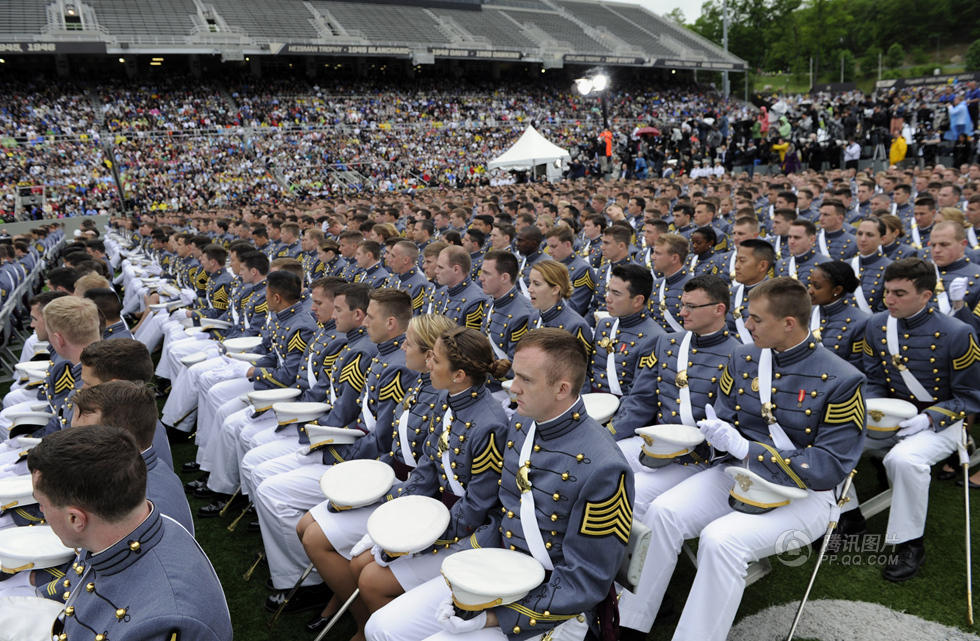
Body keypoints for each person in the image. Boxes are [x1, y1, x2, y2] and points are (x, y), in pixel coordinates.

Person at [618, 277, 865, 641]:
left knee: (722, 540)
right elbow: (724, 421)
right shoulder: (744, 357)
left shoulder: (843, 379)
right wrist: (712, 438)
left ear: (789, 323)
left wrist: (749, 449)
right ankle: (629, 624)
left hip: (805, 493)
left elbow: (828, 467)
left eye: (755, 319)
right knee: (663, 513)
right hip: (739, 472)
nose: (745, 325)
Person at [364, 328, 634, 641]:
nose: (512, 388)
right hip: (498, 567)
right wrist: (425, 541)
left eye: (526, 380)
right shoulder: (522, 424)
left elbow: (584, 582)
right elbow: (505, 513)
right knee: (382, 627)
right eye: (515, 375)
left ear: (562, 389)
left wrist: (494, 617)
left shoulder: (605, 467)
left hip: (555, 602)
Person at [298, 313, 455, 633]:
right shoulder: (420, 385)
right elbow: (398, 449)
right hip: (397, 480)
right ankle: (345, 602)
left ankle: (360, 620)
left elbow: (431, 471)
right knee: (305, 525)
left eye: (408, 342)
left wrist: (391, 492)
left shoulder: (440, 396)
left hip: (417, 495)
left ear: (429, 355)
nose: (403, 346)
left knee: (317, 537)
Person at [27, 426, 233, 640]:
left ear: (75, 519)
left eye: (41, 503)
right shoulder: (125, 531)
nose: (42, 511)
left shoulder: (164, 623)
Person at [860, 258, 980, 581]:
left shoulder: (957, 332)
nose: (889, 300)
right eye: (887, 291)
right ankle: (846, 519)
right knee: (835, 438)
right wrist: (872, 405)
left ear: (927, 296)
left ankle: (909, 544)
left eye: (900, 293)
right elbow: (873, 378)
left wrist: (929, 419)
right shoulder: (876, 324)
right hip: (893, 414)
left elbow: (971, 396)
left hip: (942, 419)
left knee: (903, 459)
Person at [610, 275, 739, 518]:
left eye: (691, 306)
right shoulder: (667, 343)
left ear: (718, 309)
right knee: (596, 462)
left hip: (697, 457)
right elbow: (641, 400)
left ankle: (627, 554)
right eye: (682, 304)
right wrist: (611, 434)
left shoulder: (737, 356)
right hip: (658, 442)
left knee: (631, 493)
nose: (682, 312)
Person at [589, 263, 662, 395]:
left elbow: (640, 394)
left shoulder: (655, 337)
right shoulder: (604, 325)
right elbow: (586, 372)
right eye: (608, 290)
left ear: (638, 300)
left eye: (616, 293)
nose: (607, 298)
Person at [806, 261, 871, 369]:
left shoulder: (860, 322)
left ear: (837, 290)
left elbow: (856, 370)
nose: (810, 291)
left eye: (816, 287)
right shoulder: (805, 313)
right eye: (810, 284)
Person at [526, 260, 591, 351]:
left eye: (536, 284)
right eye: (530, 283)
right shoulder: (535, 317)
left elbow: (577, 364)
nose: (529, 289)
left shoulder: (575, 325)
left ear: (555, 290)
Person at [648, 233, 691, 333]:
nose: (652, 257)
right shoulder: (655, 284)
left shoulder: (693, 287)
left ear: (674, 258)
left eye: (657, 253)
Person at [776, 219, 830, 283]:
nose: (791, 241)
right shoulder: (781, 265)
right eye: (790, 237)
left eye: (797, 237)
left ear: (812, 239)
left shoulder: (825, 264)